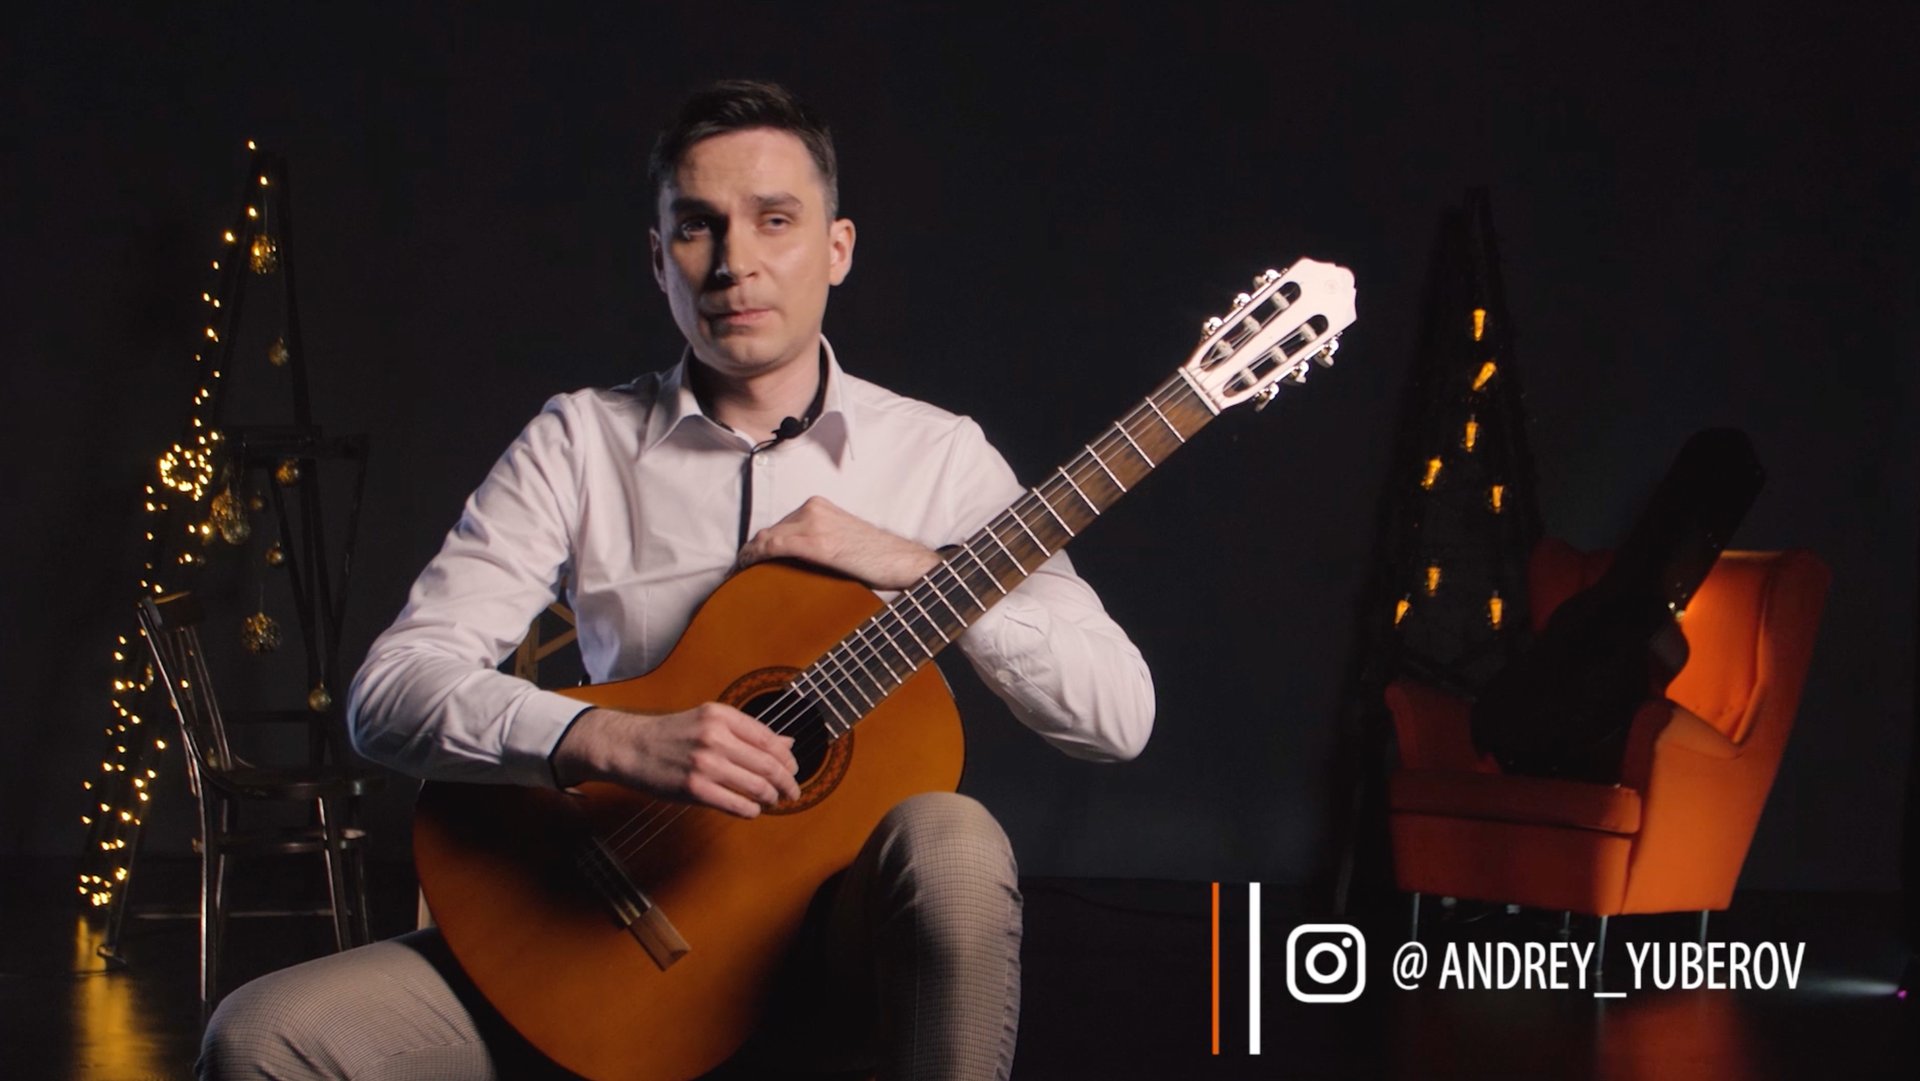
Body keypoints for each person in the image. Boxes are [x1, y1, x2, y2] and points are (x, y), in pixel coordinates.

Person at [198, 79, 1154, 1081]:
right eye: (699, 227)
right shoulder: (579, 441)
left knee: (953, 839)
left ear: (837, 248)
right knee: (265, 1034)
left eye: (775, 219)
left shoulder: (942, 457)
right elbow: (388, 695)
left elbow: (1117, 715)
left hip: (844, 955)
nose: (736, 262)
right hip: (605, 928)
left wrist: (911, 564)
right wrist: (613, 739)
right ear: (660, 260)